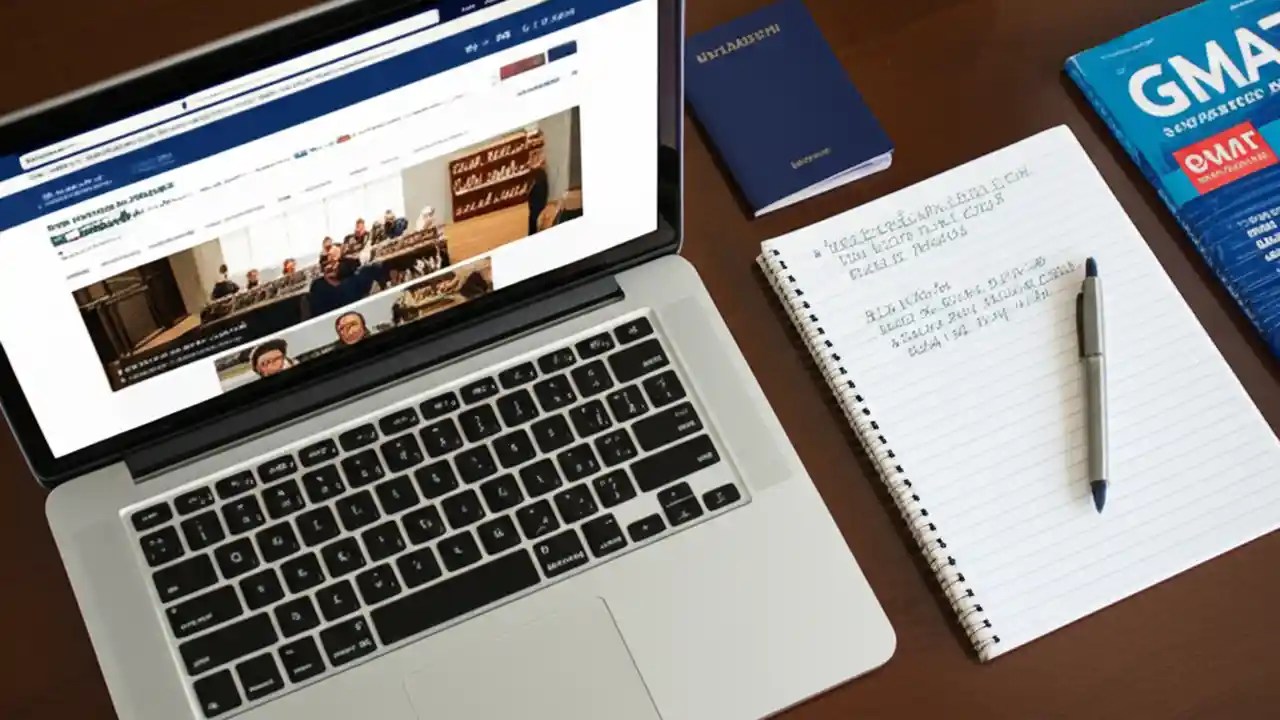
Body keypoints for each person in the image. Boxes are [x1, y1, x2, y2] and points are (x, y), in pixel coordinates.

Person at [308, 245, 390, 317]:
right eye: (325, 264)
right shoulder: (318, 288)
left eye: (333, 262)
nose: (330, 267)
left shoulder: (354, 279)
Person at [527, 149, 550, 237]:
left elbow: (538, 191)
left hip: (537, 204)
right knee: (533, 221)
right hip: (536, 204)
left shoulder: (539, 174)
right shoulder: (538, 173)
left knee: (534, 221)